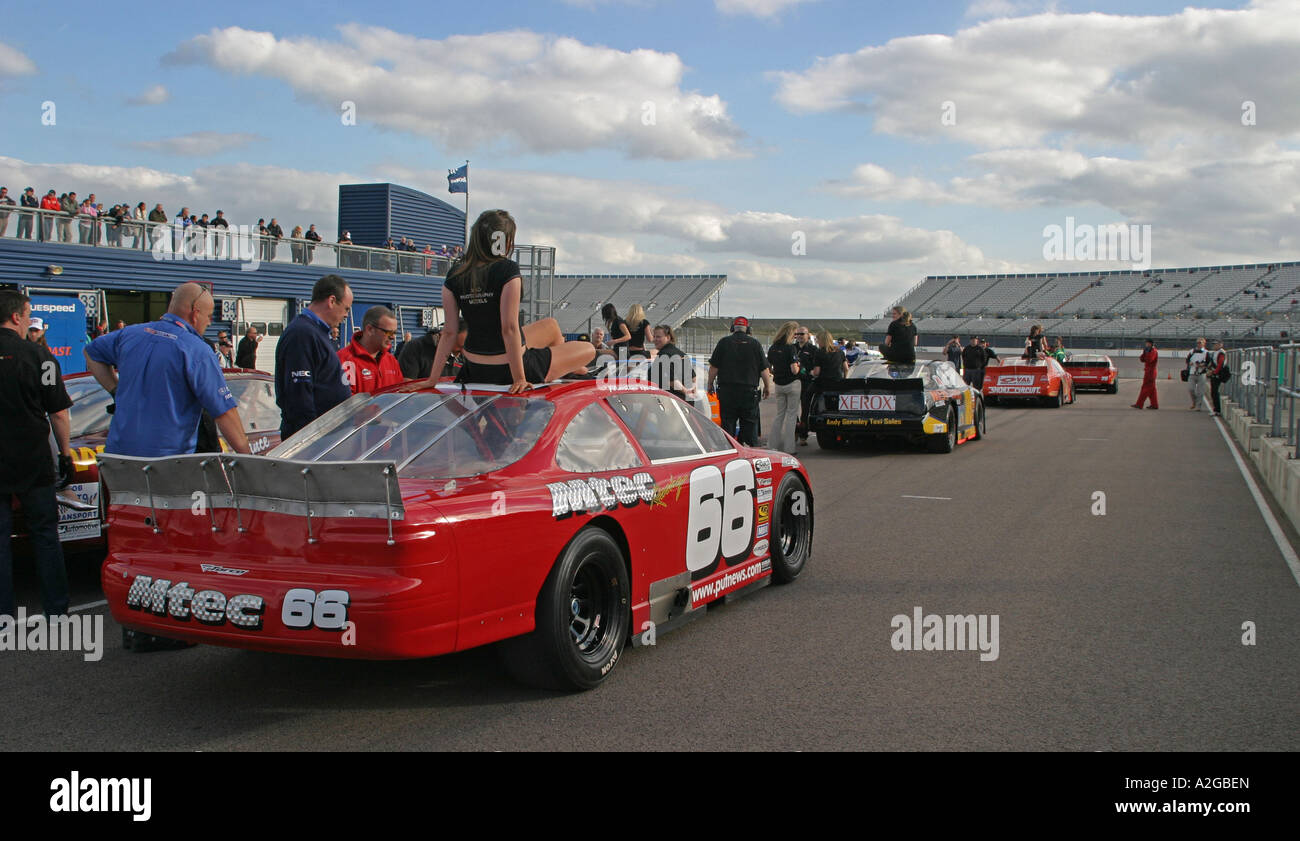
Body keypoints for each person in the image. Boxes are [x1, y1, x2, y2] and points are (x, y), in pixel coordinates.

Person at [424, 210, 594, 392]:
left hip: (474, 367)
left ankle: (568, 368)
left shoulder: (455, 274)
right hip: (508, 369)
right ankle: (567, 368)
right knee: (589, 349)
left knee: (551, 326)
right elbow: (509, 328)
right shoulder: (507, 269)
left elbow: (449, 332)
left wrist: (432, 380)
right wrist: (519, 378)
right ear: (504, 241)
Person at [84, 283, 251, 457]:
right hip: (168, 460)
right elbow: (225, 414)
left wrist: (115, 390)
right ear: (195, 313)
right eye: (208, 316)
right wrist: (249, 459)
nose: (209, 322)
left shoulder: (129, 334)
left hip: (118, 456)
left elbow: (91, 353)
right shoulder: (197, 350)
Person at [0, 290, 75, 620]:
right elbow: (58, 412)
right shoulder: (40, 356)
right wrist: (66, 454)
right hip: (32, 458)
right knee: (45, 535)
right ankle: (56, 611)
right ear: (17, 317)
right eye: (29, 315)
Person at [276, 275, 354, 437]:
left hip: (328, 435)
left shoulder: (318, 333)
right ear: (332, 301)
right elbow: (299, 395)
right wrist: (312, 439)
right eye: (346, 308)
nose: (346, 315)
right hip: (313, 439)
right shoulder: (302, 334)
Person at [707, 316, 772, 446]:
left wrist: (709, 383)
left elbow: (714, 367)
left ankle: (729, 448)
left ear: (733, 328)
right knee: (750, 424)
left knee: (728, 423)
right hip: (749, 391)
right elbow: (764, 369)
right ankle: (750, 449)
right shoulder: (755, 344)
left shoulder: (723, 342)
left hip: (727, 390)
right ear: (748, 329)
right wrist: (767, 387)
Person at [338, 306, 405, 395]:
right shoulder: (344, 360)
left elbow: (399, 395)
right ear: (370, 329)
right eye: (388, 332)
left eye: (395, 333)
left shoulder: (391, 361)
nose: (393, 337)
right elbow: (344, 400)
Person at [766, 321, 802, 454]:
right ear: (791, 333)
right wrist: (799, 366)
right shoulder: (790, 348)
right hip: (792, 384)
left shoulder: (773, 348)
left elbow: (768, 367)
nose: (796, 336)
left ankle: (772, 445)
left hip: (779, 384)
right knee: (791, 416)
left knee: (779, 415)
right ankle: (789, 448)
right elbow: (794, 370)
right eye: (795, 333)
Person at [648, 324, 694, 401]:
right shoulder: (681, 354)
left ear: (668, 337)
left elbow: (672, 381)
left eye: (658, 337)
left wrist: (687, 392)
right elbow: (693, 377)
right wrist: (692, 392)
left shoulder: (664, 355)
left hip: (672, 401)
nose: (655, 339)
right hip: (686, 401)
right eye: (654, 336)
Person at [794, 326, 818, 446]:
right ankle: (795, 430)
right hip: (793, 382)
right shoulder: (793, 348)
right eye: (797, 334)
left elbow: (816, 366)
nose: (799, 336)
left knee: (805, 410)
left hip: (807, 383)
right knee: (792, 410)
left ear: (808, 335)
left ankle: (803, 435)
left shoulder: (813, 349)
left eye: (802, 334)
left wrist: (811, 372)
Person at [1185, 337, 1212, 411]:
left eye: (1200, 343)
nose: (1199, 344)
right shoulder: (1192, 351)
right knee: (1191, 389)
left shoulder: (1206, 352)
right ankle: (1194, 402)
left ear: (1204, 343)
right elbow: (1187, 360)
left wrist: (1203, 365)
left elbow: (1209, 362)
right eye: (1197, 343)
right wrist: (1189, 363)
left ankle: (1198, 406)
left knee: (1200, 391)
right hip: (1192, 372)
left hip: (1201, 373)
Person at [1133, 339, 1159, 409]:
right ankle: (1154, 405)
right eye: (1146, 343)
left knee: (1145, 388)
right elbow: (1142, 359)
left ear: (1151, 344)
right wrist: (1144, 352)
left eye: (1147, 343)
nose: (1146, 345)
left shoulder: (1153, 351)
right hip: (1148, 372)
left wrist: (1147, 353)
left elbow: (1150, 360)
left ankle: (1139, 404)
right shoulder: (1148, 350)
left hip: (1151, 373)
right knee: (1152, 390)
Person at [1209, 340, 1228, 416]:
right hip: (1215, 373)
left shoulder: (1221, 353)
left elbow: (1220, 364)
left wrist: (1214, 372)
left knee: (1215, 392)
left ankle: (1217, 410)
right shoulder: (1215, 353)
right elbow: (1213, 363)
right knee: (1213, 392)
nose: (1214, 346)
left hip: (1219, 374)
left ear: (1221, 345)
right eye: (1214, 344)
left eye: (1216, 344)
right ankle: (1216, 409)